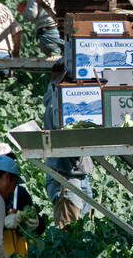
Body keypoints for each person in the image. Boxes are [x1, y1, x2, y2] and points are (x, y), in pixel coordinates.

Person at [40, 63, 95, 227]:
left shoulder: (63, 98)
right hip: (65, 176)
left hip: (78, 174)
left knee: (86, 230)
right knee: (69, 235)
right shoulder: (57, 103)